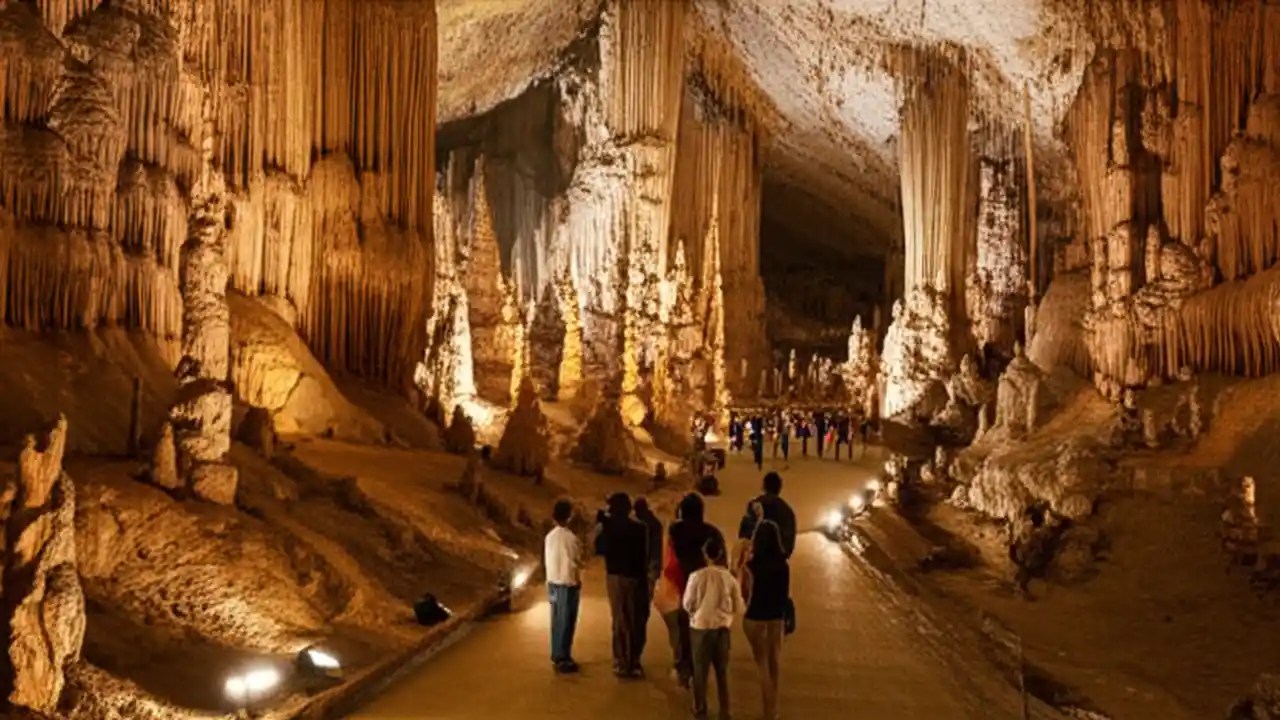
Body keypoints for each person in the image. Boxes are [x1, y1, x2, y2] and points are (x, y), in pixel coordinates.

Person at [661, 493, 726, 687]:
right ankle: (701, 669)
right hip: (706, 592)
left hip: (682, 588)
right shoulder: (712, 532)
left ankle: (684, 668)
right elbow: (723, 565)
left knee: (682, 630)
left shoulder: (675, 530)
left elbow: (668, 559)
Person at [683, 535, 744, 720]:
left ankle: (700, 708)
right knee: (722, 672)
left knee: (700, 671)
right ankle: (725, 710)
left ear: (705, 554)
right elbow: (738, 606)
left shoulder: (696, 576)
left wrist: (695, 613)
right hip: (722, 629)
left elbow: (687, 603)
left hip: (700, 627)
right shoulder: (729, 579)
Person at [595, 493, 650, 677]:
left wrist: (603, 524)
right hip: (635, 578)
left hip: (615, 578)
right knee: (634, 619)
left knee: (619, 620)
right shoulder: (640, 529)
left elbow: (599, 548)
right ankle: (634, 661)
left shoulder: (609, 528)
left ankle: (620, 661)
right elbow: (644, 555)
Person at [741, 520, 790, 720]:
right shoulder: (783, 565)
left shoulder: (751, 565)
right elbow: (785, 594)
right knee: (774, 664)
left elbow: (745, 594)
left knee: (762, 664)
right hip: (776, 618)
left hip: (755, 617)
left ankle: (767, 710)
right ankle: (772, 710)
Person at [545, 499, 584, 673]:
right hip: (568, 583)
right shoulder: (571, 538)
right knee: (567, 621)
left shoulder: (550, 537)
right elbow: (577, 560)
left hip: (553, 582)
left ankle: (556, 653)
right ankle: (564, 657)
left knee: (556, 619)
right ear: (569, 516)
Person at [738, 471, 798, 558]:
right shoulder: (787, 510)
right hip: (778, 562)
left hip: (755, 560)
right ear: (779, 488)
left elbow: (743, 535)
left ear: (764, 486)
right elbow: (789, 544)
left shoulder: (755, 505)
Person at [634, 496, 664, 660]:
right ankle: (637, 650)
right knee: (643, 613)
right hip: (649, 573)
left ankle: (633, 652)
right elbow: (657, 552)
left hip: (639, 573)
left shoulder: (639, 525)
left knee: (635, 613)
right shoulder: (656, 524)